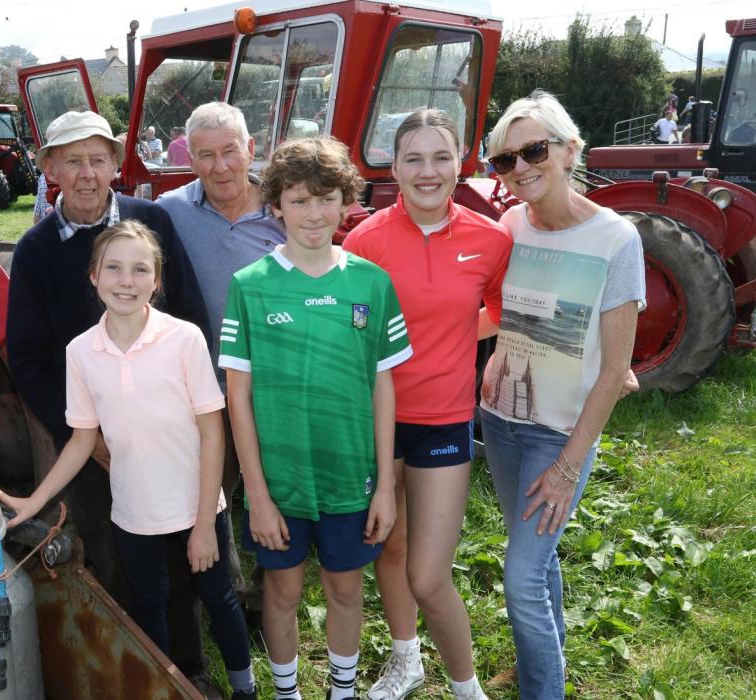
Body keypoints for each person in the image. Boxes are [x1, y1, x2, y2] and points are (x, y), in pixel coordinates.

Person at [0, 221, 256, 700]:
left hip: (197, 507)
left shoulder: (184, 339)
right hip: (133, 513)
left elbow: (212, 434)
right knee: (148, 603)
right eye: (113, 268)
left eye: (140, 269)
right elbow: (80, 440)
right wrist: (32, 502)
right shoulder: (81, 352)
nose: (125, 280)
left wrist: (201, 524)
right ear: (93, 276)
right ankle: (159, 686)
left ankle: (246, 688)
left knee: (218, 598)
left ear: (156, 280)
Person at [4, 110, 217, 694]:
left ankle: (191, 672)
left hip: (167, 433)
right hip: (87, 438)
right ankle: (142, 669)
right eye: (72, 161)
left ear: (114, 165)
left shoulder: (151, 223)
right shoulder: (36, 251)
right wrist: (87, 436)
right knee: (117, 553)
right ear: (50, 169)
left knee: (184, 555)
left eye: (98, 159)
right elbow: (26, 359)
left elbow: (190, 316)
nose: (87, 174)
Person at [221, 136, 411, 700]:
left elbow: (383, 388)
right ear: (275, 205)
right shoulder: (249, 287)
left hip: (351, 478)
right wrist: (255, 490)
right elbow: (237, 396)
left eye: (326, 198)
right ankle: (286, 692)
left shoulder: (371, 284)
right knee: (281, 593)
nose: (313, 213)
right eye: (298, 200)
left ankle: (342, 691)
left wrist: (386, 487)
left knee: (345, 589)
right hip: (278, 483)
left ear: (347, 202)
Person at [481, 90, 644, 699]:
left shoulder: (616, 239)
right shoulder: (510, 226)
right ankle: (538, 661)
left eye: (533, 150)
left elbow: (614, 370)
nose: (520, 167)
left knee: (520, 577)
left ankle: (542, 689)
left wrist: (569, 465)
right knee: (536, 560)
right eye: (504, 159)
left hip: (560, 432)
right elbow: (504, 314)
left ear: (570, 150)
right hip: (499, 419)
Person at [345, 109, 511, 700]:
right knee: (388, 547)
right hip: (379, 421)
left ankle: (467, 689)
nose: (427, 170)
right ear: (393, 167)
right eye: (413, 158)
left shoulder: (490, 238)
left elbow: (500, 310)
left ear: (462, 160)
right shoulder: (365, 240)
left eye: (441, 157)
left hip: (444, 421)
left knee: (428, 574)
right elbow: (353, 330)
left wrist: (461, 332)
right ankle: (405, 659)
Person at [157, 101, 286, 608]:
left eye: (230, 151)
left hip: (273, 380)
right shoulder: (170, 212)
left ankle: (273, 582)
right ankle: (228, 590)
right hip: (204, 381)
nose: (220, 167)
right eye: (205, 155)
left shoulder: (283, 211)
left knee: (272, 479)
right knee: (213, 483)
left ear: (250, 150)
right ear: (190, 158)